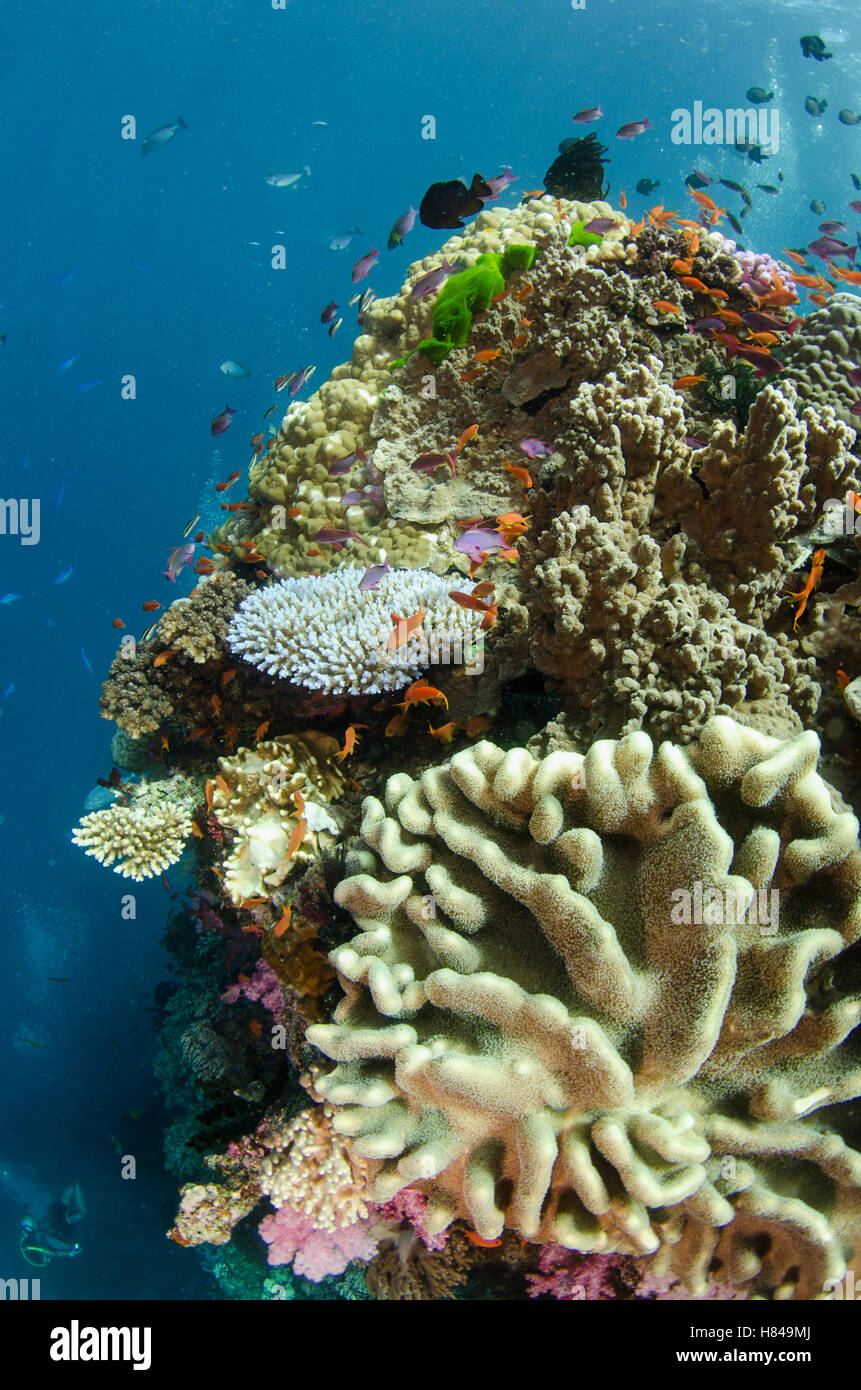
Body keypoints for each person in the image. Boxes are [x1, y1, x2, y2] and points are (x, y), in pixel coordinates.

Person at [19, 1181, 85, 1266]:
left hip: (58, 1222)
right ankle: (75, 1182)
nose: (48, 1258)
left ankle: (75, 1182)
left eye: (46, 1258)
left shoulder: (40, 1242)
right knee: (64, 1201)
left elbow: (57, 1244)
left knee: (73, 1208)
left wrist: (70, 1251)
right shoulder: (51, 1248)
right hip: (57, 1222)